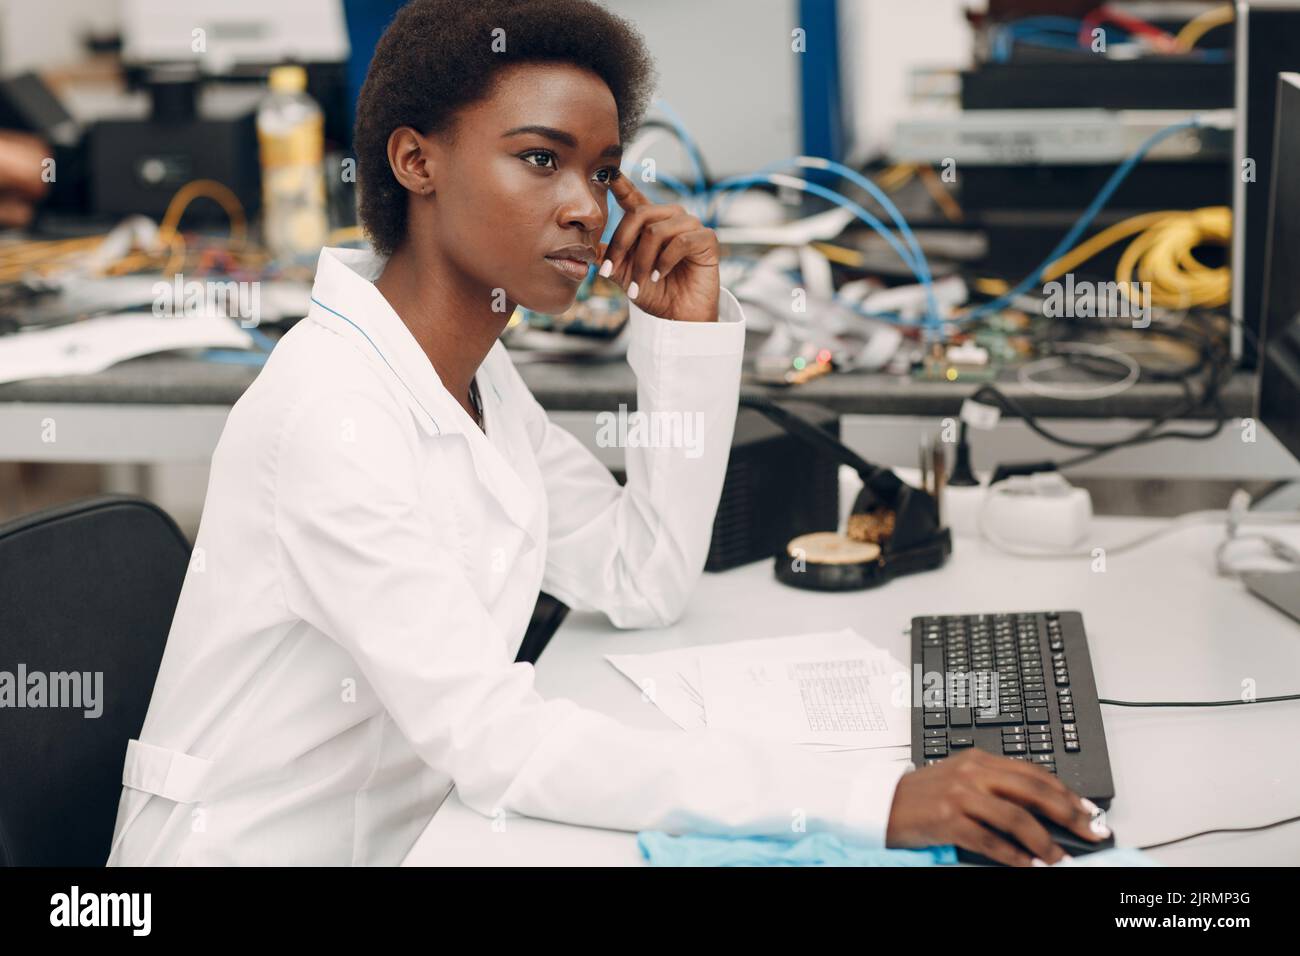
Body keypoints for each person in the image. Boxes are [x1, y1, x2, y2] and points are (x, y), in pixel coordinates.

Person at [107, 0, 1106, 867]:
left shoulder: (473, 376)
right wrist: (872, 798)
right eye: (540, 159)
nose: (587, 207)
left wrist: (680, 337)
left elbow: (643, 577)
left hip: (423, 834)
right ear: (415, 160)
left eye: (604, 172)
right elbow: (496, 739)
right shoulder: (334, 412)